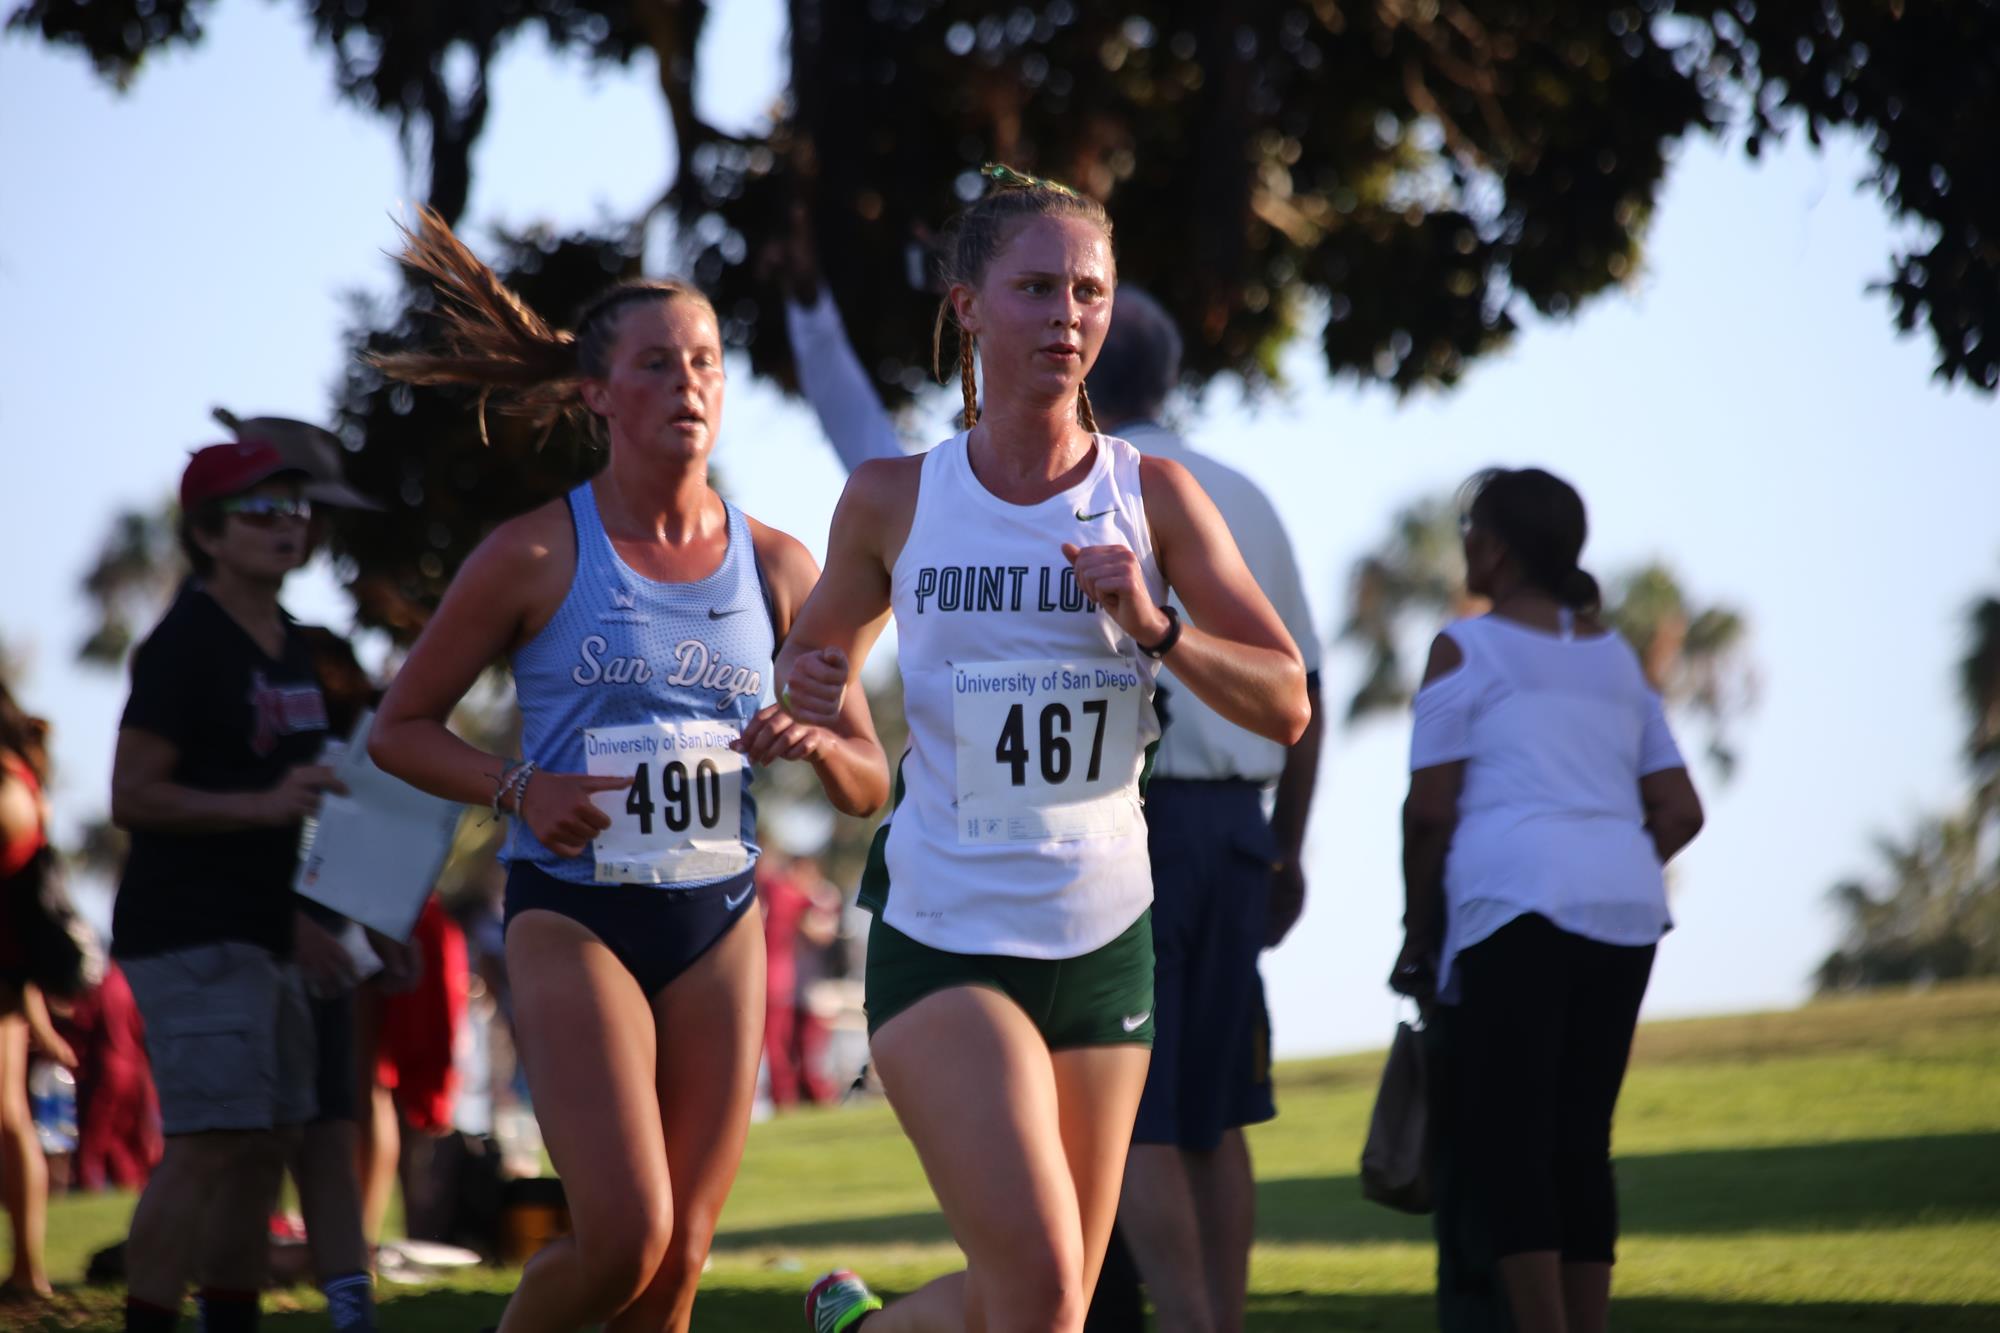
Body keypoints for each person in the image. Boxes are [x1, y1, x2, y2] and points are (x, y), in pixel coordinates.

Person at [780, 166, 1309, 1333]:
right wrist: (805, 694)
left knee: (1055, 1298)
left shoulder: (1153, 496)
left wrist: (1158, 628)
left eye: (1088, 291)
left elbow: (1284, 702)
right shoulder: (891, 498)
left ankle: (861, 1330)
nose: (1067, 315)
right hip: (947, 934)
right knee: (1041, 1296)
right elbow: (814, 661)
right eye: (1036, 288)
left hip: (1105, 939)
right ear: (967, 304)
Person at [365, 208, 887, 1333]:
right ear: (598, 393)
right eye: (656, 364)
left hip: (719, 918)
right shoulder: (536, 552)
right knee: (626, 1237)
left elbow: (866, 781)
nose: (687, 382)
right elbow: (396, 727)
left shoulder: (781, 566)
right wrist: (518, 788)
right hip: (576, 916)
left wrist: (813, 742)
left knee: (680, 1264)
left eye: (705, 361)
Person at [1392, 468, 1705, 1333]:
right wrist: (1606, 854)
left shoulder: (1465, 648)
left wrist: (1421, 927)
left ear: (1492, 547)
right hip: (1625, 909)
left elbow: (1430, 809)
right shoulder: (1615, 659)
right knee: (1579, 1137)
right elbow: (1681, 808)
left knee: (1510, 1135)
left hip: (1513, 904)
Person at [109, 440, 345, 1333]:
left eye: (294, 506)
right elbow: (131, 793)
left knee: (262, 1147)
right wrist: (263, 804)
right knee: (208, 1144)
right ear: (207, 534)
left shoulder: (288, 645)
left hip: (265, 931)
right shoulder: (184, 644)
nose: (288, 523)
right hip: (191, 934)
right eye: (261, 509)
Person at [0, 683, 79, 1304]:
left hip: (4, 974)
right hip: (10, 976)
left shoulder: (8, 782)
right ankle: (26, 1270)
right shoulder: (20, 776)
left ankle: (28, 1270)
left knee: (8, 1117)